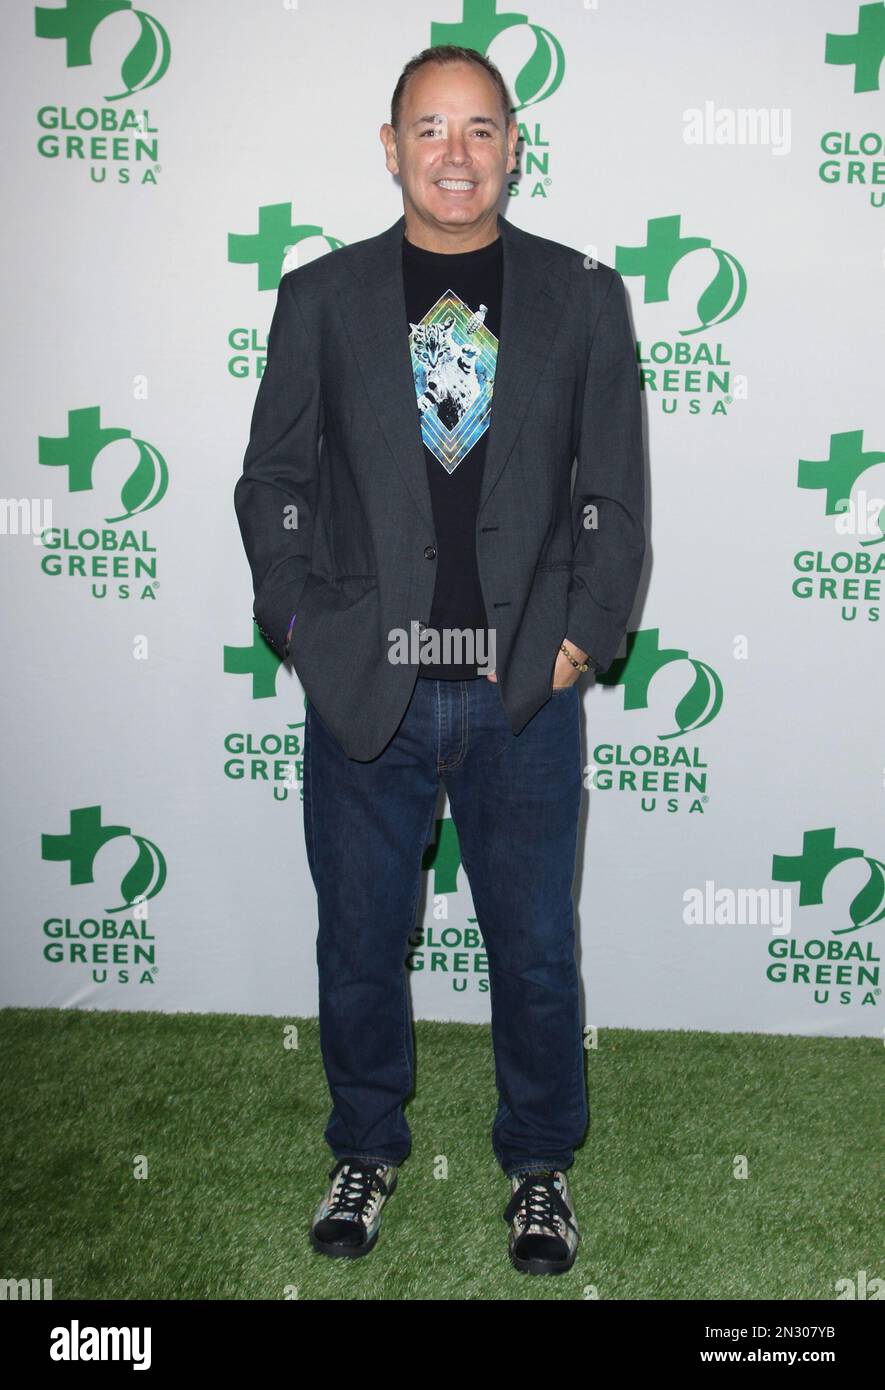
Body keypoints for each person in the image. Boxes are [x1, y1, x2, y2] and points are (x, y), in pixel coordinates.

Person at [234, 44, 646, 1277]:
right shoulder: (320, 297)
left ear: (516, 146)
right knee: (360, 939)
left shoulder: (582, 294)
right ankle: (364, 1142)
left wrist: (586, 635)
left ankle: (540, 1166)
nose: (455, 154)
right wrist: (301, 627)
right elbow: (275, 481)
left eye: (479, 129)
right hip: (374, 688)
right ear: (390, 145)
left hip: (524, 687)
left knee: (533, 948)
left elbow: (612, 492)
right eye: (430, 129)